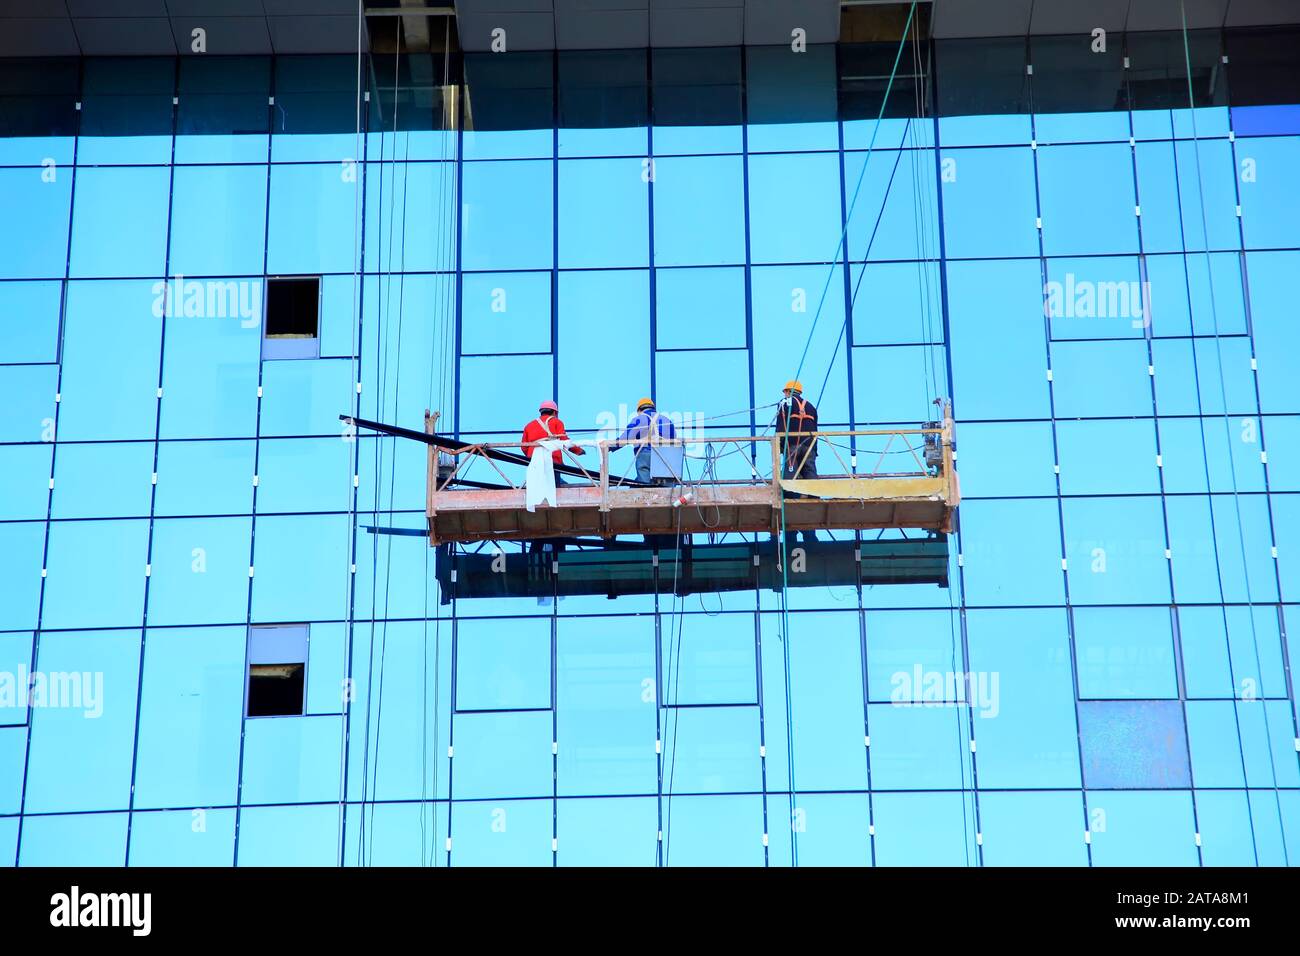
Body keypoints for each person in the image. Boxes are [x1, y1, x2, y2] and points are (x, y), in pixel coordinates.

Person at [521, 400, 584, 561]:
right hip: (552, 463)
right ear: (554, 412)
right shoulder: (556, 422)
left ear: (541, 411)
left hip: (535, 465)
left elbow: (524, 447)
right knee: (554, 496)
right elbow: (564, 440)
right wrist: (578, 451)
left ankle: (534, 554)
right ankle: (558, 545)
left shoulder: (529, 426)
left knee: (537, 495)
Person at [775, 379, 819, 543]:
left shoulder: (784, 403)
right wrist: (815, 449)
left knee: (789, 474)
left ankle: (788, 497)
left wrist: (780, 446)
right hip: (808, 445)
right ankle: (814, 497)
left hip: (792, 445)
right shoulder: (811, 407)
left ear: (788, 391)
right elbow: (816, 429)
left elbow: (780, 426)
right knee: (809, 471)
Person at [611, 397, 677, 485]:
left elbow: (626, 438)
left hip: (645, 456)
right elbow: (674, 440)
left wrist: (610, 446)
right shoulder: (667, 421)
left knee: (644, 487)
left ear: (639, 410)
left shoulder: (639, 419)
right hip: (665, 457)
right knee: (666, 487)